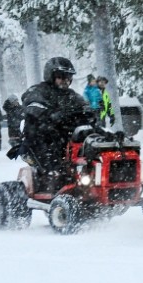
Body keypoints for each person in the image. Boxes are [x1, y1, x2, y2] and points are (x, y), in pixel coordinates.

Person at [20, 57, 96, 194]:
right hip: (43, 138)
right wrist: (50, 115)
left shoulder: (71, 95)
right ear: (51, 76)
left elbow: (84, 106)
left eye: (68, 77)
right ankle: (54, 172)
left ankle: (98, 175)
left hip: (67, 135)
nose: (66, 80)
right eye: (61, 77)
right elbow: (32, 104)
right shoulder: (38, 90)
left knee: (92, 138)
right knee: (50, 137)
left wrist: (88, 113)